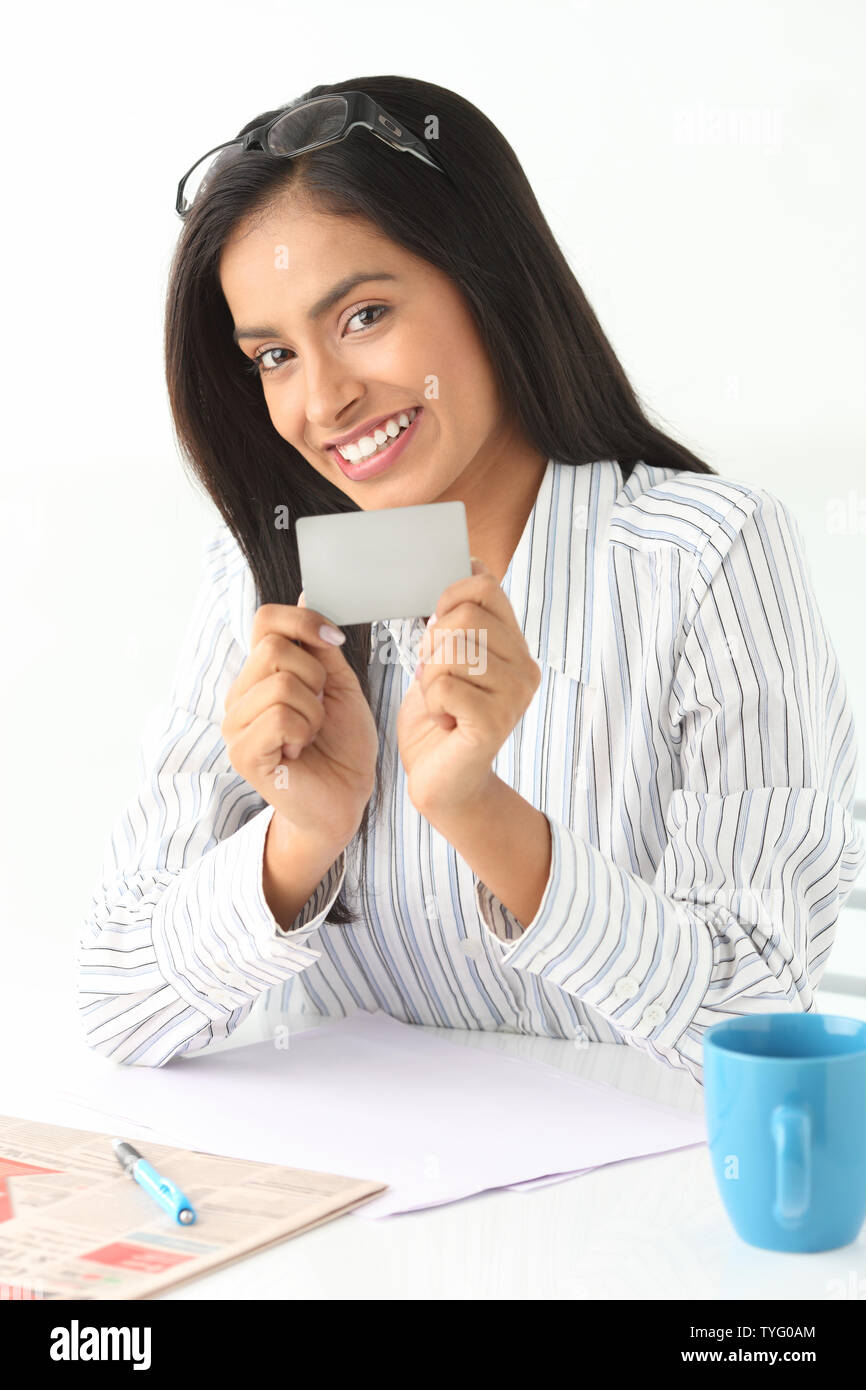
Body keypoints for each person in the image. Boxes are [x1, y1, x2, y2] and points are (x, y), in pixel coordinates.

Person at [76, 76, 864, 1081]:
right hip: (359, 1219)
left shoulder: (705, 557)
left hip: (629, 1227)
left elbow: (754, 1017)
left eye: (362, 315)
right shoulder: (264, 581)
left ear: (486, 280)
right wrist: (300, 837)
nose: (322, 400)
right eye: (273, 354)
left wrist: (484, 817)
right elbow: (116, 997)